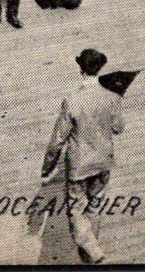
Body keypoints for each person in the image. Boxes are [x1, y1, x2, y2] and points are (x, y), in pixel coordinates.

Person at [40, 48, 124, 264]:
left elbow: (58, 139)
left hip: (79, 166)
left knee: (76, 210)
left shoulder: (72, 100)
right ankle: (89, 252)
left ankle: (93, 252)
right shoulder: (112, 98)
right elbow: (118, 128)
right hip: (103, 161)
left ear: (80, 68)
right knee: (94, 205)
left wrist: (48, 166)